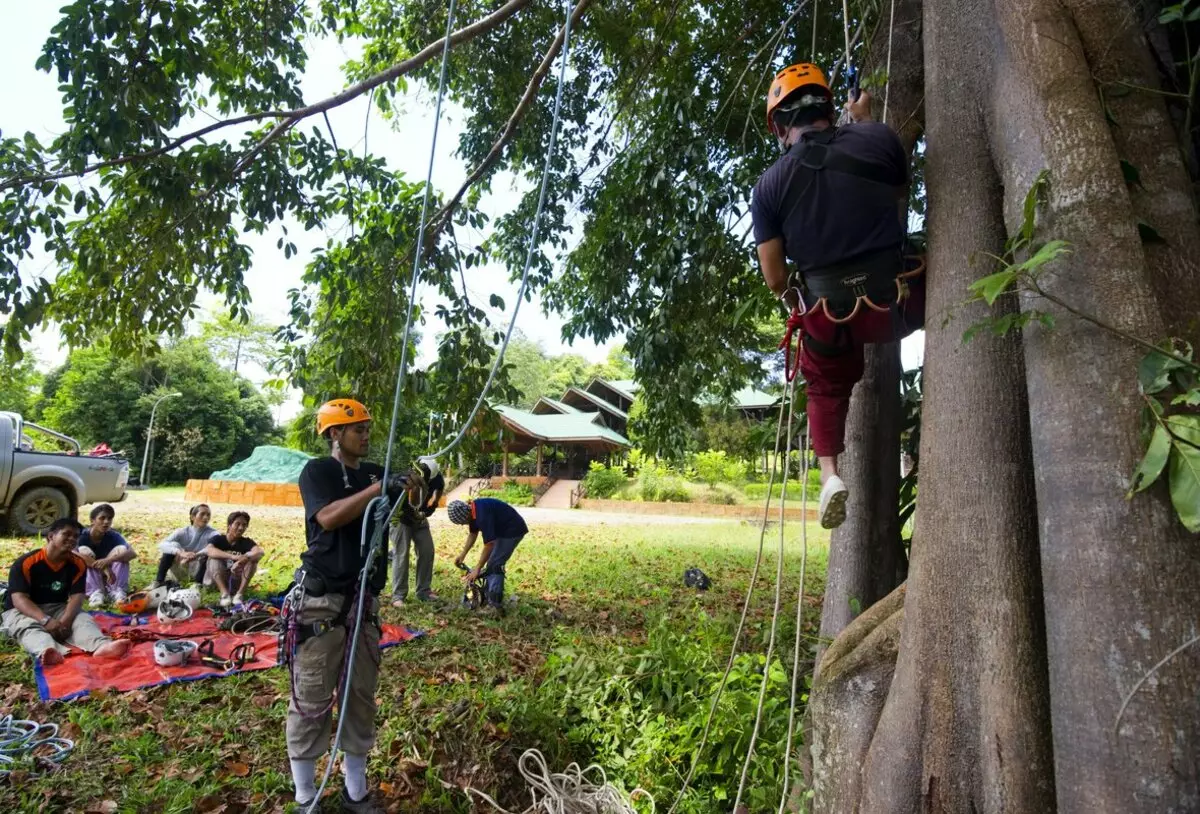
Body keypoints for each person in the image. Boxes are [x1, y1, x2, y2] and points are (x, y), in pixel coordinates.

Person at [751, 63, 924, 530]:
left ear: (780, 125)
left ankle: (830, 473)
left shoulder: (768, 186)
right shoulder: (878, 138)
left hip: (832, 314)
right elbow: (897, 192)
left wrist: (802, 302)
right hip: (899, 301)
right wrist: (864, 118)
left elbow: (774, 276)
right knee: (934, 266)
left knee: (826, 383)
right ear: (830, 108)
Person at [286, 398, 411, 813]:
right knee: (313, 694)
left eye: (367, 427)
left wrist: (414, 486)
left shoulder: (376, 472)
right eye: (357, 428)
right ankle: (306, 795)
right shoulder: (318, 472)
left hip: (363, 602)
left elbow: (405, 513)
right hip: (322, 601)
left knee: (360, 695)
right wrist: (377, 489)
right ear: (334, 434)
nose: (366, 434)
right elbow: (328, 518)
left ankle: (354, 790)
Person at [1, 518, 131, 664]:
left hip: (57, 607)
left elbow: (77, 596)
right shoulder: (26, 562)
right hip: (21, 610)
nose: (72, 539)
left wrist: (66, 621)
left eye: (76, 536)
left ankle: (102, 646)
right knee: (28, 627)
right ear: (51, 536)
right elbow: (19, 599)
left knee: (82, 620)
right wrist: (45, 620)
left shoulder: (78, 564)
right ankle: (48, 651)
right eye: (67, 534)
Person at [448, 497, 528, 615]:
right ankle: (488, 595)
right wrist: (462, 554)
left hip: (513, 530)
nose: (462, 525)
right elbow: (473, 533)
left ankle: (495, 606)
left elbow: (489, 544)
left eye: (462, 522)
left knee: (495, 564)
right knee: (492, 563)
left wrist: (477, 568)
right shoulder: (472, 510)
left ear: (466, 515)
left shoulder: (482, 515)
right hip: (502, 530)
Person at [390, 456, 445, 608]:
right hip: (401, 517)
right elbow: (413, 503)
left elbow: (439, 489)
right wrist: (415, 489)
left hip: (419, 517)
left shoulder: (436, 477)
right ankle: (398, 596)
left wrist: (430, 508)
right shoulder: (407, 478)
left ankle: (424, 591)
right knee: (402, 554)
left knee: (427, 550)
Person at [76, 503, 137, 607]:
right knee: (83, 551)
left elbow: (132, 553)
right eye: (102, 518)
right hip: (90, 575)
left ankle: (117, 592)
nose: (106, 522)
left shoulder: (113, 535)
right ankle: (95, 593)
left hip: (110, 576)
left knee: (122, 550)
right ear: (92, 521)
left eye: (109, 519)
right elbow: (74, 554)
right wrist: (104, 567)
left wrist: (108, 561)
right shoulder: (82, 536)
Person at [204, 511, 264, 607]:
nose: (241, 528)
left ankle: (239, 595)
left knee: (253, 561)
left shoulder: (246, 542)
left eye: (244, 525)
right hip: (216, 580)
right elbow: (209, 550)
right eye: (237, 524)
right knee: (213, 559)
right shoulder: (218, 539)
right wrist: (233, 557)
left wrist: (245, 558)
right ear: (229, 525)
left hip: (235, 579)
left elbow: (260, 552)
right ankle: (224, 595)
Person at [151, 503, 218, 588]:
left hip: (200, 568)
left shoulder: (213, 533)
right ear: (192, 517)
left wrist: (195, 555)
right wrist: (180, 552)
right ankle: (159, 581)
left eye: (208, 515)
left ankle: (198, 584)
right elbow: (162, 545)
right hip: (181, 566)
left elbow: (213, 549)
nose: (206, 517)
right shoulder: (182, 532)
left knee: (209, 553)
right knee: (172, 545)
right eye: (202, 514)